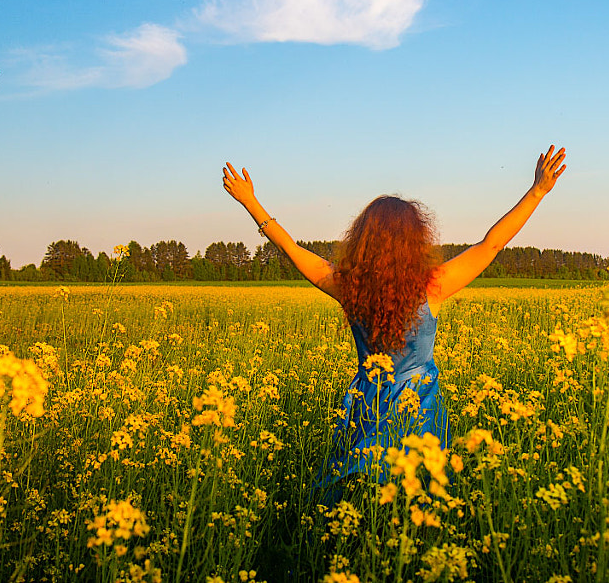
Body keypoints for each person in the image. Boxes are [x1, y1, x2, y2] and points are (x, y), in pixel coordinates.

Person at [222, 146, 567, 491]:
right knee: (416, 493)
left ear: (363, 239)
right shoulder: (433, 286)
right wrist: (537, 191)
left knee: (355, 488)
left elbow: (292, 250)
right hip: (419, 402)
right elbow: (491, 245)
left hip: (367, 398)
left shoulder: (348, 287)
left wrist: (250, 202)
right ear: (415, 240)